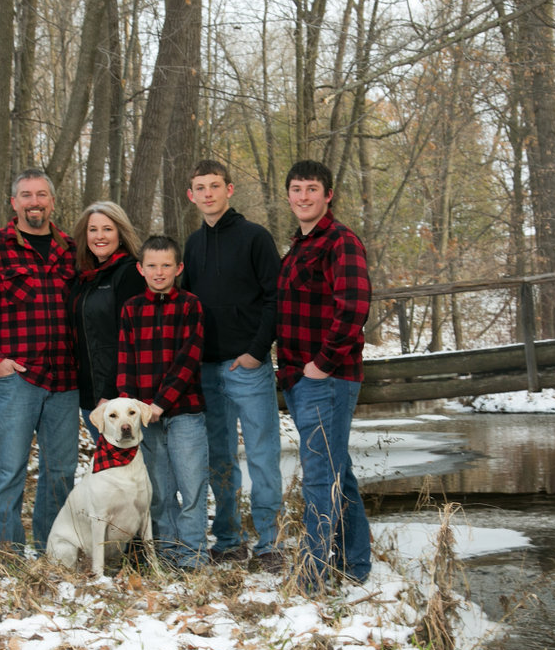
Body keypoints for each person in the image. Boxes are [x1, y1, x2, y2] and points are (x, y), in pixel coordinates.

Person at [0, 169, 79, 554]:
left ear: (52, 201)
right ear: (14, 202)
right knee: (9, 470)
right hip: (15, 380)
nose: (34, 202)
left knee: (60, 472)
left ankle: (52, 550)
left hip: (65, 379)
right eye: (26, 195)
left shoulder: (72, 250)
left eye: (41, 194)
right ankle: (9, 552)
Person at [181, 160, 283, 571]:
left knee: (262, 455)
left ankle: (269, 545)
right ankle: (228, 540)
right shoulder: (191, 245)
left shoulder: (255, 238)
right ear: (191, 196)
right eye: (200, 187)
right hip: (205, 369)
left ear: (230, 189)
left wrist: (257, 351)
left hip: (249, 368)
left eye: (215, 186)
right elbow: (184, 306)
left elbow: (276, 299)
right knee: (219, 458)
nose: (208, 193)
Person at [275, 160, 372, 590]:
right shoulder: (300, 245)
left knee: (319, 475)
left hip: (326, 379)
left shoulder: (340, 242)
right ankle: (355, 563)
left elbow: (353, 307)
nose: (303, 196)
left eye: (312, 189)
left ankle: (312, 573)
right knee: (336, 471)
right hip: (301, 378)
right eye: (296, 189)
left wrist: (322, 364)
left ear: (327, 194)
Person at [117, 236, 209, 570]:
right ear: (141, 269)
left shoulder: (190, 305)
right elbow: (125, 362)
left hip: (185, 412)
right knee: (159, 491)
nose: (159, 272)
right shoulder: (130, 309)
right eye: (152, 266)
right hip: (145, 417)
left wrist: (160, 403)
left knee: (192, 486)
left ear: (178, 268)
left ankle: (194, 555)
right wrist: (133, 410)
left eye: (166, 265)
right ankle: (168, 555)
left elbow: (188, 359)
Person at [69, 201, 145, 441]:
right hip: (91, 395)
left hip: (118, 399)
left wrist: (111, 393)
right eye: (93, 229)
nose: (99, 236)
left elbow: (130, 339)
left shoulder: (131, 272)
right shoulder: (85, 277)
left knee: (136, 471)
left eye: (107, 229)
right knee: (115, 473)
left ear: (121, 233)